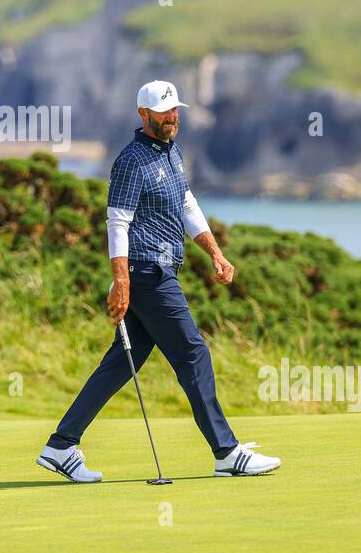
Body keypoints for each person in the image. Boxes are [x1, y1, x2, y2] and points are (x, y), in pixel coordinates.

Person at [35, 80, 281, 481]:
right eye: (163, 112)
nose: (171, 117)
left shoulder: (172, 151)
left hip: (157, 271)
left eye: (174, 110)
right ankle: (226, 452)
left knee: (121, 362)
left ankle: (60, 445)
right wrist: (121, 282)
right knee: (193, 354)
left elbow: (186, 204)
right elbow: (117, 222)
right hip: (147, 272)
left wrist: (216, 253)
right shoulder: (131, 161)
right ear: (143, 114)